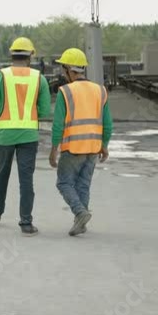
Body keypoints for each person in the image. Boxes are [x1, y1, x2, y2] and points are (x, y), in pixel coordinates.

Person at [0, 37, 52, 235]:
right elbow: (45, 110)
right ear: (31, 55)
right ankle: (26, 222)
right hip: (29, 136)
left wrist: (1, 109)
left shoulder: (0, 76)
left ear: (11, 54)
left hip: (4, 135)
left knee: (2, 174)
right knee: (26, 179)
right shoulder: (39, 78)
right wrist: (29, 112)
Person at [48, 48, 113, 236]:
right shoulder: (100, 91)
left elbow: (58, 125)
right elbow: (107, 124)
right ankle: (81, 223)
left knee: (64, 183)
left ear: (69, 69)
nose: (62, 72)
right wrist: (104, 145)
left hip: (73, 148)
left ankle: (80, 212)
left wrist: (54, 150)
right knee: (83, 184)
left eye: (63, 68)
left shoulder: (66, 92)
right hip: (93, 148)